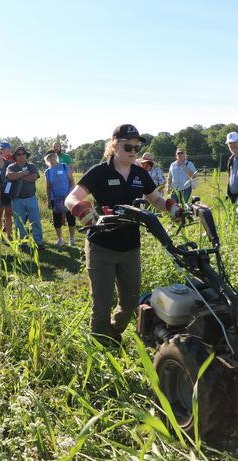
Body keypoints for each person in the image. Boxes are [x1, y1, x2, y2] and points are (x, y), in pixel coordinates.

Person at [65, 124, 183, 346]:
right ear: (114, 146)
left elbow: (155, 199)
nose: (133, 151)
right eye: (128, 146)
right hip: (101, 246)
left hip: (130, 246)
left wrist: (172, 208)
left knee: (129, 303)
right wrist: (84, 212)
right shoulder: (99, 172)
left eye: (136, 148)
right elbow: (71, 198)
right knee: (101, 303)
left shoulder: (140, 173)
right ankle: (102, 348)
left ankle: (114, 332)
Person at [6, 146, 44, 251]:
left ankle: (38, 243)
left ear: (26, 155)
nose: (21, 156)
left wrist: (18, 176)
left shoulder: (32, 166)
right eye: (19, 154)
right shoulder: (11, 167)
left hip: (31, 198)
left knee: (35, 221)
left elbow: (34, 177)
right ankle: (22, 243)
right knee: (19, 222)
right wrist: (22, 173)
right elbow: (9, 176)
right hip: (16, 200)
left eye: (23, 154)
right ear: (15, 156)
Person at [44, 150, 76, 247]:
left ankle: (72, 239)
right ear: (47, 159)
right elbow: (48, 187)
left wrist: (72, 195)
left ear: (56, 156)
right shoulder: (48, 172)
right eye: (49, 156)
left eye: (53, 155)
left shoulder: (64, 166)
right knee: (57, 220)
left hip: (68, 197)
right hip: (55, 199)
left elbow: (72, 181)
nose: (52, 157)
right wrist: (49, 199)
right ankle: (60, 240)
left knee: (71, 219)